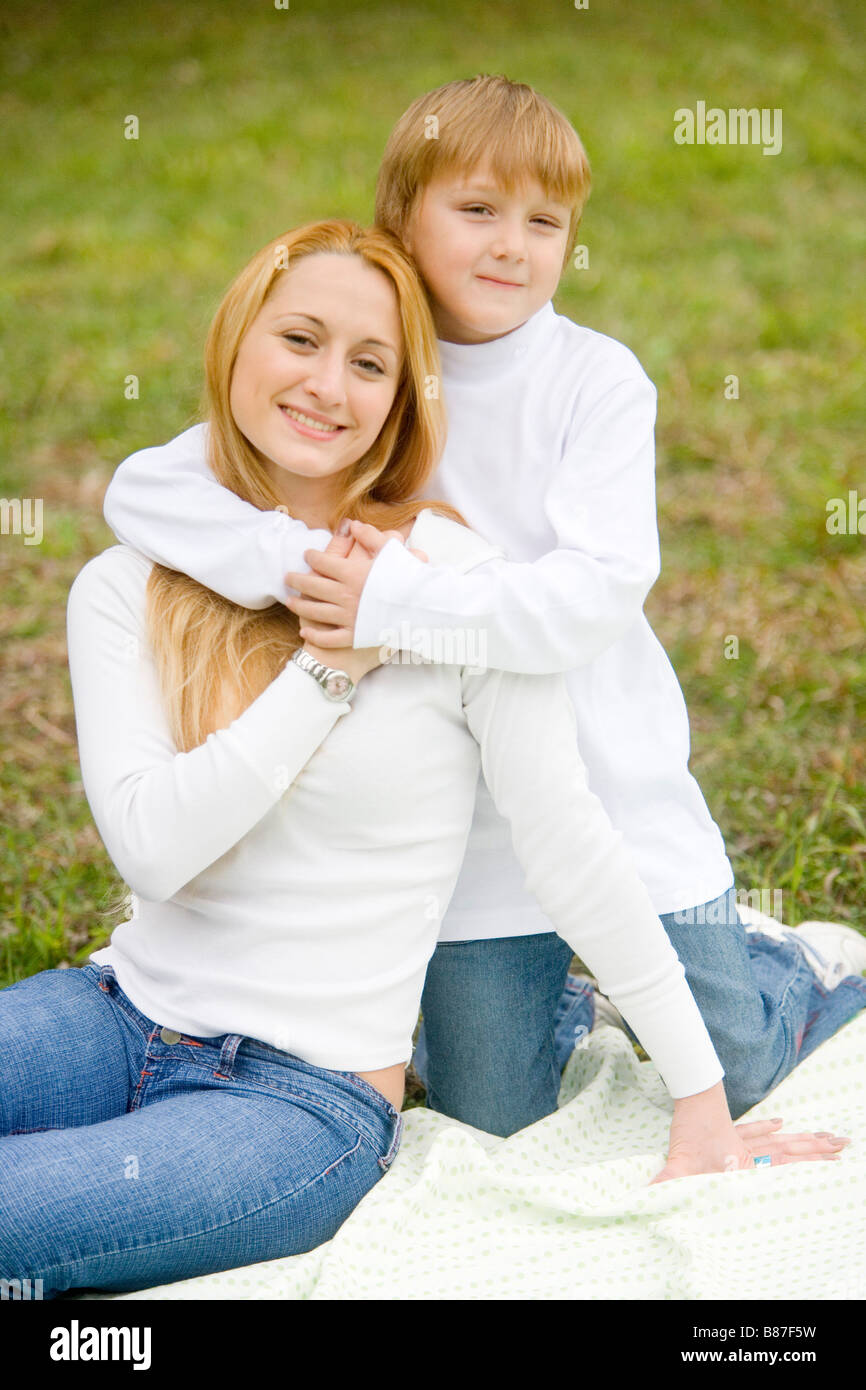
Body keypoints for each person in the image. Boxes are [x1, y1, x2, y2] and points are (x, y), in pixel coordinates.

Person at [0, 221, 846, 1300]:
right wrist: (329, 668)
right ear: (234, 345)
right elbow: (157, 850)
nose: (326, 385)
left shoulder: (450, 589)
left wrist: (699, 1100)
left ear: (402, 402)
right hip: (115, 1011)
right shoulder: (129, 581)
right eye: (298, 339)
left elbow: (567, 844)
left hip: (298, 1101)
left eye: (369, 363)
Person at [101, 76, 866, 1135]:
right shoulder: (367, 372)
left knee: (739, 1070)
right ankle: (561, 997)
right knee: (488, 1116)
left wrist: (394, 599)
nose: (512, 244)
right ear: (400, 216)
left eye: (543, 222)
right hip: (465, 828)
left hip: (608, 792)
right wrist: (309, 566)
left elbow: (589, 597)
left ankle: (781, 967)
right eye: (477, 210)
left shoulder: (596, 381)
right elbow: (145, 489)